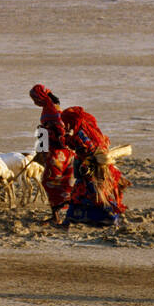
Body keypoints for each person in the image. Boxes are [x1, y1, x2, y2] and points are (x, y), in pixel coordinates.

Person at [60, 105, 128, 227]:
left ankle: (112, 219)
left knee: (94, 195)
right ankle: (69, 220)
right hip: (87, 170)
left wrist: (85, 162)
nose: (65, 124)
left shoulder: (81, 134)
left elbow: (89, 150)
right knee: (80, 195)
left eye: (66, 122)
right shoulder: (83, 130)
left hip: (89, 171)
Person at [29, 84, 73, 226]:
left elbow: (60, 130)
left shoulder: (51, 110)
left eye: (35, 99)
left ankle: (57, 216)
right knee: (61, 181)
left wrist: (44, 131)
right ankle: (63, 212)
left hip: (58, 153)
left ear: (41, 97)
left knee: (49, 181)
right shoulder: (52, 107)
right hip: (63, 152)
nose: (34, 102)